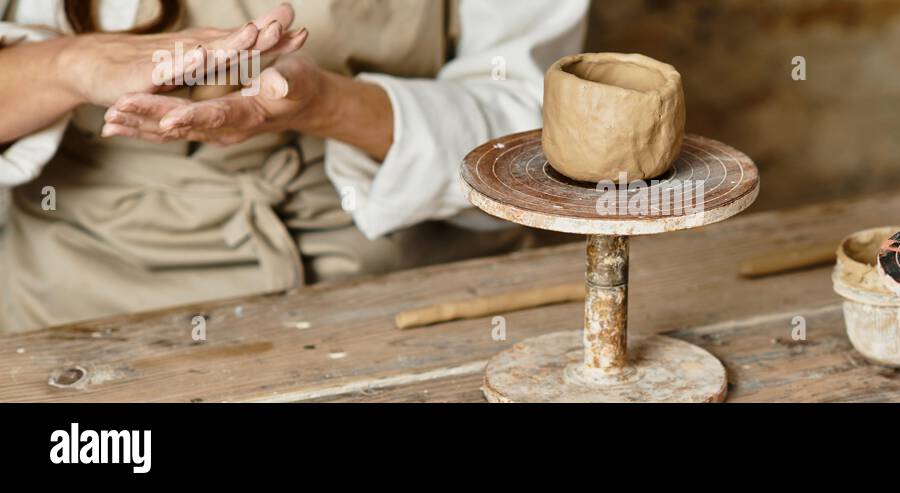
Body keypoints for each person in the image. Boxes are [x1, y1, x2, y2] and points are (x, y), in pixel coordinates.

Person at [0, 0, 589, 333]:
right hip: (87, 304)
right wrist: (67, 65)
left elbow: (529, 130)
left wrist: (332, 106)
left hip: (409, 287)